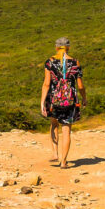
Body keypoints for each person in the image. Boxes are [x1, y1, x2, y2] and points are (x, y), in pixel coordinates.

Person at [39, 36, 85, 168]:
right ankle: (64, 161)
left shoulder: (50, 62)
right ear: (68, 47)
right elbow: (80, 86)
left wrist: (42, 102)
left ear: (56, 47)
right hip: (70, 100)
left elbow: (46, 84)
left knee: (54, 124)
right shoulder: (75, 63)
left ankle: (55, 154)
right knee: (66, 130)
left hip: (53, 99)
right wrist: (84, 98)